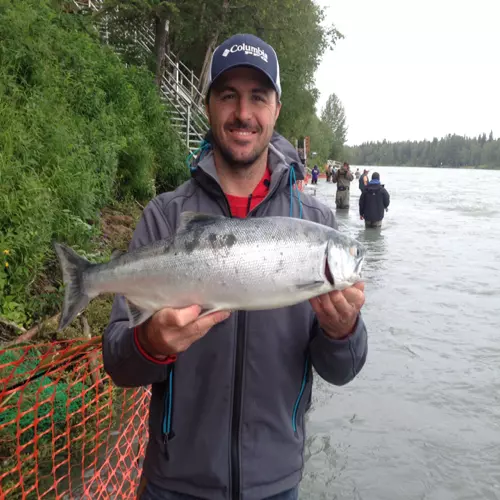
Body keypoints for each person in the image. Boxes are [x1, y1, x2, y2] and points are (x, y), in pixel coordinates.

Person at [103, 33, 368, 500]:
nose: (243, 113)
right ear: (208, 105)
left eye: (257, 97)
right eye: (228, 96)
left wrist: (343, 331)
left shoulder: (316, 223)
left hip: (276, 484)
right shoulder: (163, 218)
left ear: (276, 110)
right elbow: (119, 365)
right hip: (172, 484)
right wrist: (150, 342)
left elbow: (342, 371)